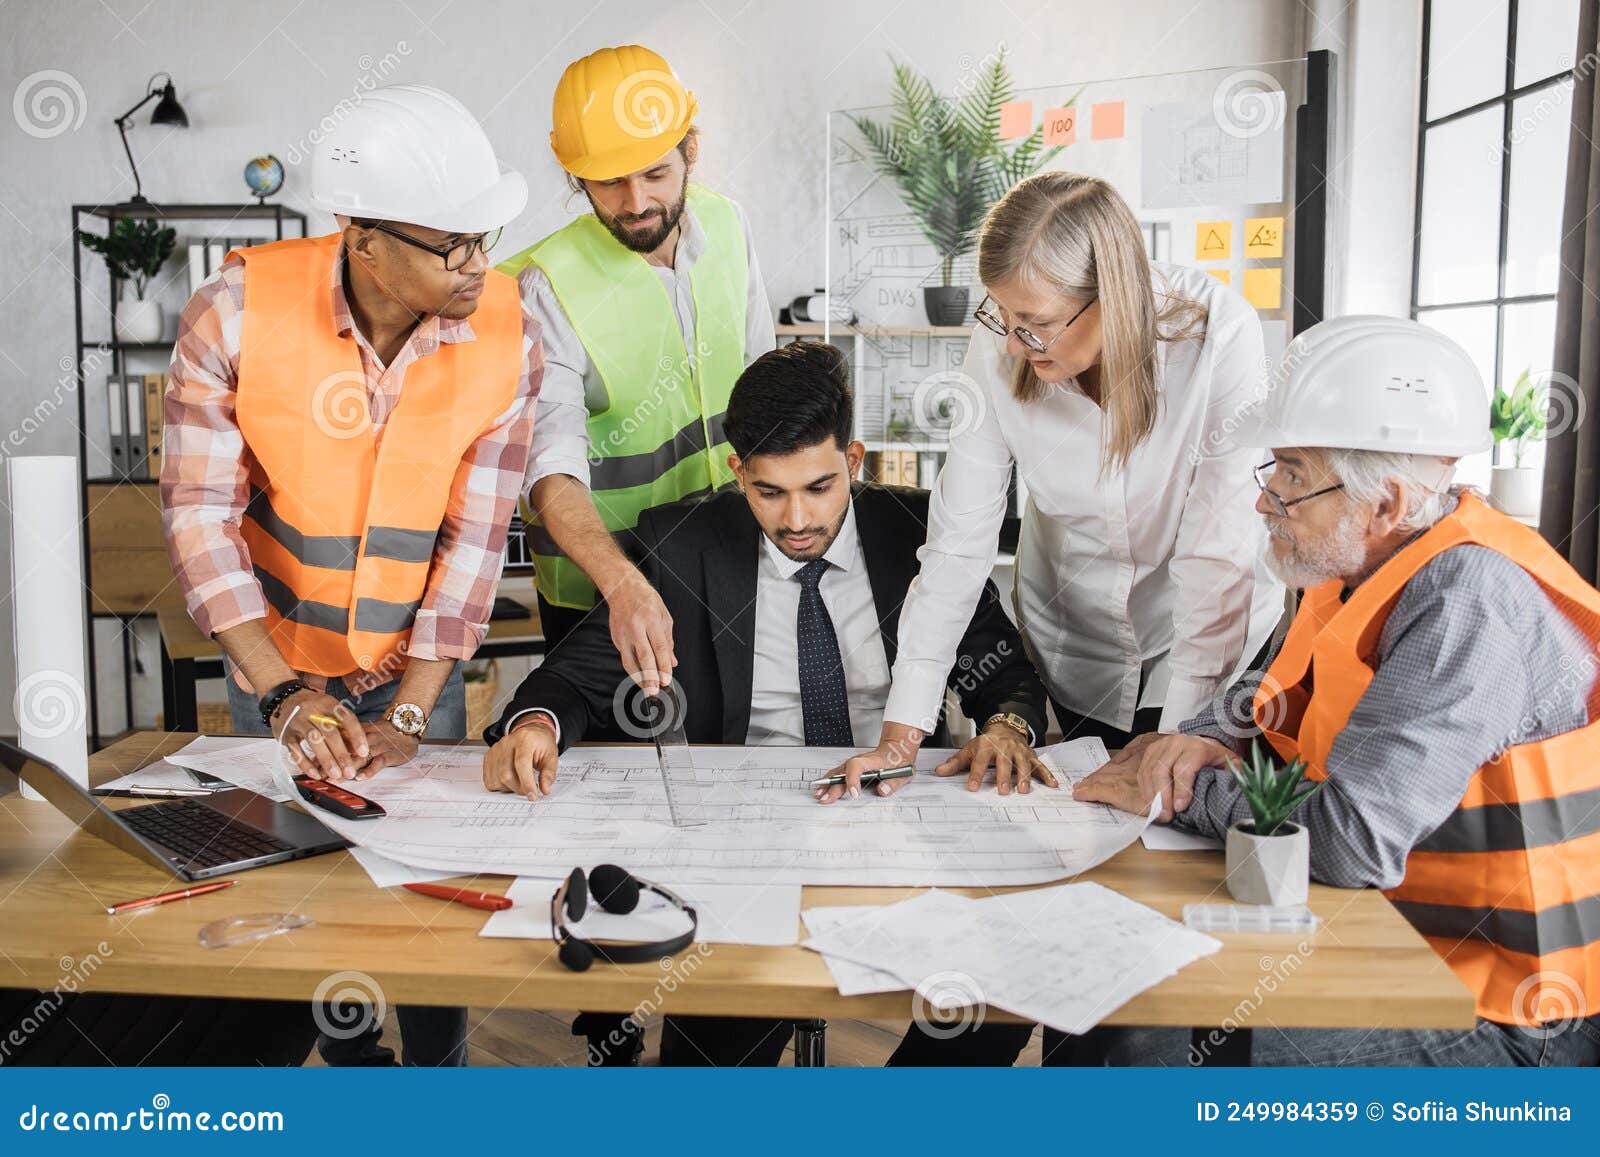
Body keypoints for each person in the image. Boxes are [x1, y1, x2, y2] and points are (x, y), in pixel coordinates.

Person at [897, 316, 1600, 1066]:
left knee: (1140, 1053)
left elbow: (1349, 838)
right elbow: (1269, 687)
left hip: (1503, 1006)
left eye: (1292, 474)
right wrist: (1196, 736)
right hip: (1385, 935)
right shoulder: (1366, 566)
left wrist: (1171, 787)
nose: (1265, 500)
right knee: (1100, 1003)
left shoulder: (1468, 602)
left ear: (1387, 503)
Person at [483, 341, 1051, 1065]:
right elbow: (574, 678)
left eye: (819, 486)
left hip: (898, 821)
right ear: (736, 472)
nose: (797, 520)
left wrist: (1006, 724)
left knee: (989, 1002)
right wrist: (534, 723)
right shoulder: (682, 545)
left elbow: (1006, 677)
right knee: (705, 1072)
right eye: (769, 492)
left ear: (855, 457)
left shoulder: (919, 539)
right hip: (745, 838)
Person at [161, 84, 540, 1067]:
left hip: (410, 666)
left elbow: (474, 542)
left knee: (428, 904)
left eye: (484, 237)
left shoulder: (509, 330)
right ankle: (353, 1064)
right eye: (450, 244)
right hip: (277, 660)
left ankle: (436, 1082)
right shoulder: (233, 313)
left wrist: (413, 710)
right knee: (303, 888)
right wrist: (283, 691)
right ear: (360, 237)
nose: (477, 264)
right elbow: (199, 518)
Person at [827, 172, 1283, 798]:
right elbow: (958, 547)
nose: (1012, 344)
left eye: (1034, 323)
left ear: (1111, 298)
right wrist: (901, 736)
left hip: (1201, 638)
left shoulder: (1217, 334)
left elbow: (1217, 559)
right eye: (1002, 315)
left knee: (1168, 822)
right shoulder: (1002, 340)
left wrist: (1175, 747)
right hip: (1073, 638)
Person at [497, 44, 776, 688]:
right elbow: (550, 467)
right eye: (608, 182)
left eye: (655, 173)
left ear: (690, 150)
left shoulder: (730, 228)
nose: (635, 201)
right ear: (575, 178)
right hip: (603, 586)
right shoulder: (544, 288)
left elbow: (766, 385)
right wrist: (624, 584)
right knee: (609, 757)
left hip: (730, 553)